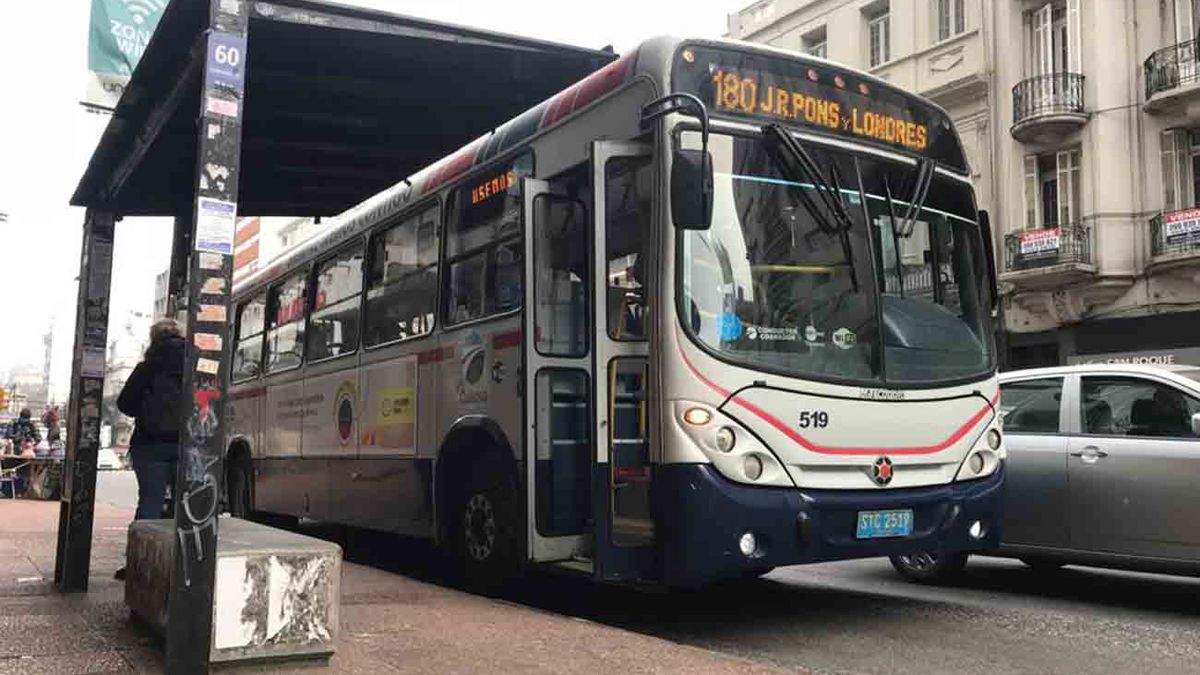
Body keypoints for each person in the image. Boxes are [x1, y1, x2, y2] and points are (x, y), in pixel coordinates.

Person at [114, 319, 185, 579]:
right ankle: (183, 564)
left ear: (154, 339)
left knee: (149, 502)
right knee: (186, 505)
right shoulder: (195, 363)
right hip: (186, 445)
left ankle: (140, 565)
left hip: (149, 444)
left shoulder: (147, 367)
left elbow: (125, 404)